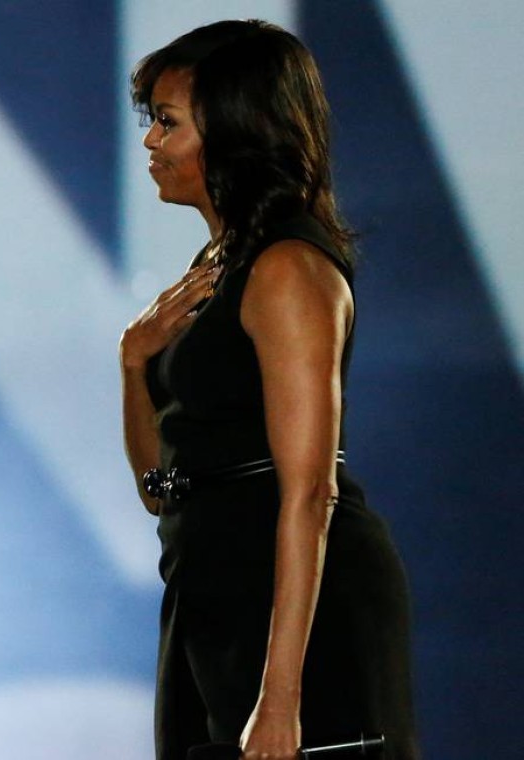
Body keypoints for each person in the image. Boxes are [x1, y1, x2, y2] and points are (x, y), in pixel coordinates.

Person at [118, 20, 418, 760]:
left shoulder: (286, 268)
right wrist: (132, 364)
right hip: (207, 595)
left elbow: (310, 491)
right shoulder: (219, 264)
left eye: (167, 122)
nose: (150, 142)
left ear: (234, 129)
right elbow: (161, 490)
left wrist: (281, 697)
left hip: (294, 614)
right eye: (150, 120)